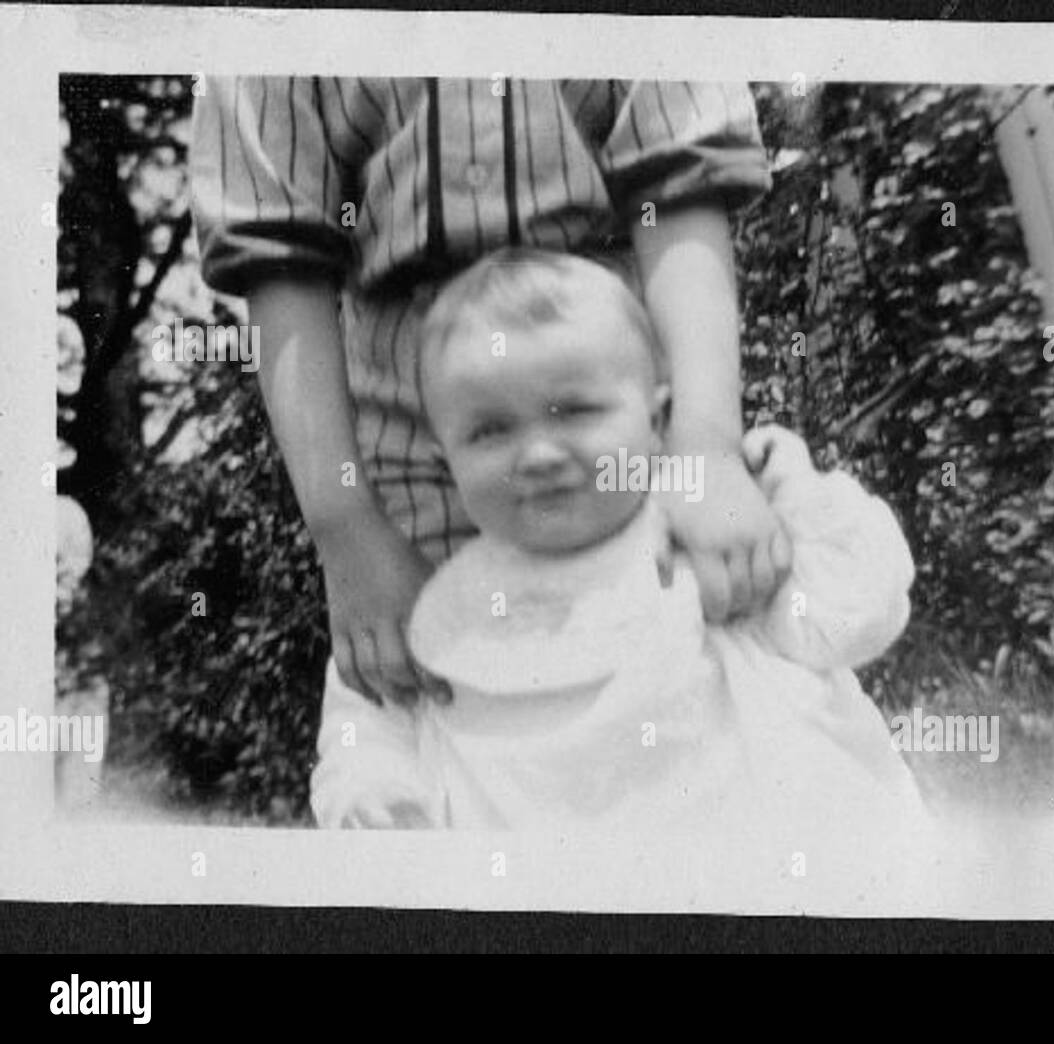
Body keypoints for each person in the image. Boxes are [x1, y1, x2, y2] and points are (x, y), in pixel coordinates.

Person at [190, 77, 790, 714]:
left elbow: (680, 173)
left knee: (692, 693)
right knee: (441, 724)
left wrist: (706, 447)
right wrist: (346, 530)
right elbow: (277, 248)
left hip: (622, 433)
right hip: (410, 467)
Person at [310, 248, 926, 837]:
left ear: (658, 420)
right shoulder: (444, 603)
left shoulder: (709, 543)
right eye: (490, 430)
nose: (539, 454)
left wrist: (793, 493)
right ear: (447, 462)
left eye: (574, 410)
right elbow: (368, 715)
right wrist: (372, 788)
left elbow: (862, 612)